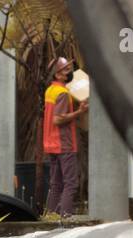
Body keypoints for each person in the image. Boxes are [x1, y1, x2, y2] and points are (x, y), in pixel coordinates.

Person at [42, 56, 89, 219]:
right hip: (64, 144)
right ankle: (65, 217)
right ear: (58, 75)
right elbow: (58, 119)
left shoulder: (50, 90)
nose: (70, 71)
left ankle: (51, 217)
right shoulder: (62, 93)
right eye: (66, 69)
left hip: (51, 144)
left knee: (56, 184)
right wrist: (79, 112)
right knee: (71, 183)